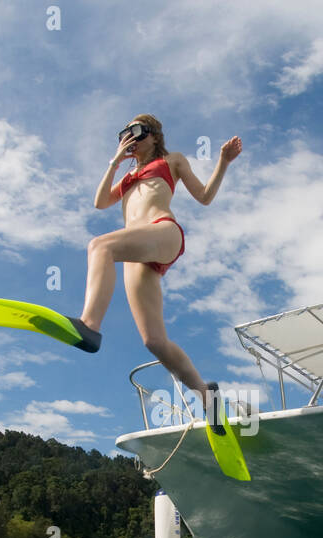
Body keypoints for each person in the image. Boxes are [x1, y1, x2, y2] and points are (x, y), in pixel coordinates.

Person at [67, 114, 242, 421]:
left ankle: (89, 326)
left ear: (155, 135)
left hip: (162, 231)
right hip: (138, 252)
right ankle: (207, 395)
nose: (130, 139)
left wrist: (223, 162)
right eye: (125, 134)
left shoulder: (172, 160)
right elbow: (99, 202)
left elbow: (204, 197)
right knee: (154, 341)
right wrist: (116, 161)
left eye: (137, 132)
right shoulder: (127, 177)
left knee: (100, 246)